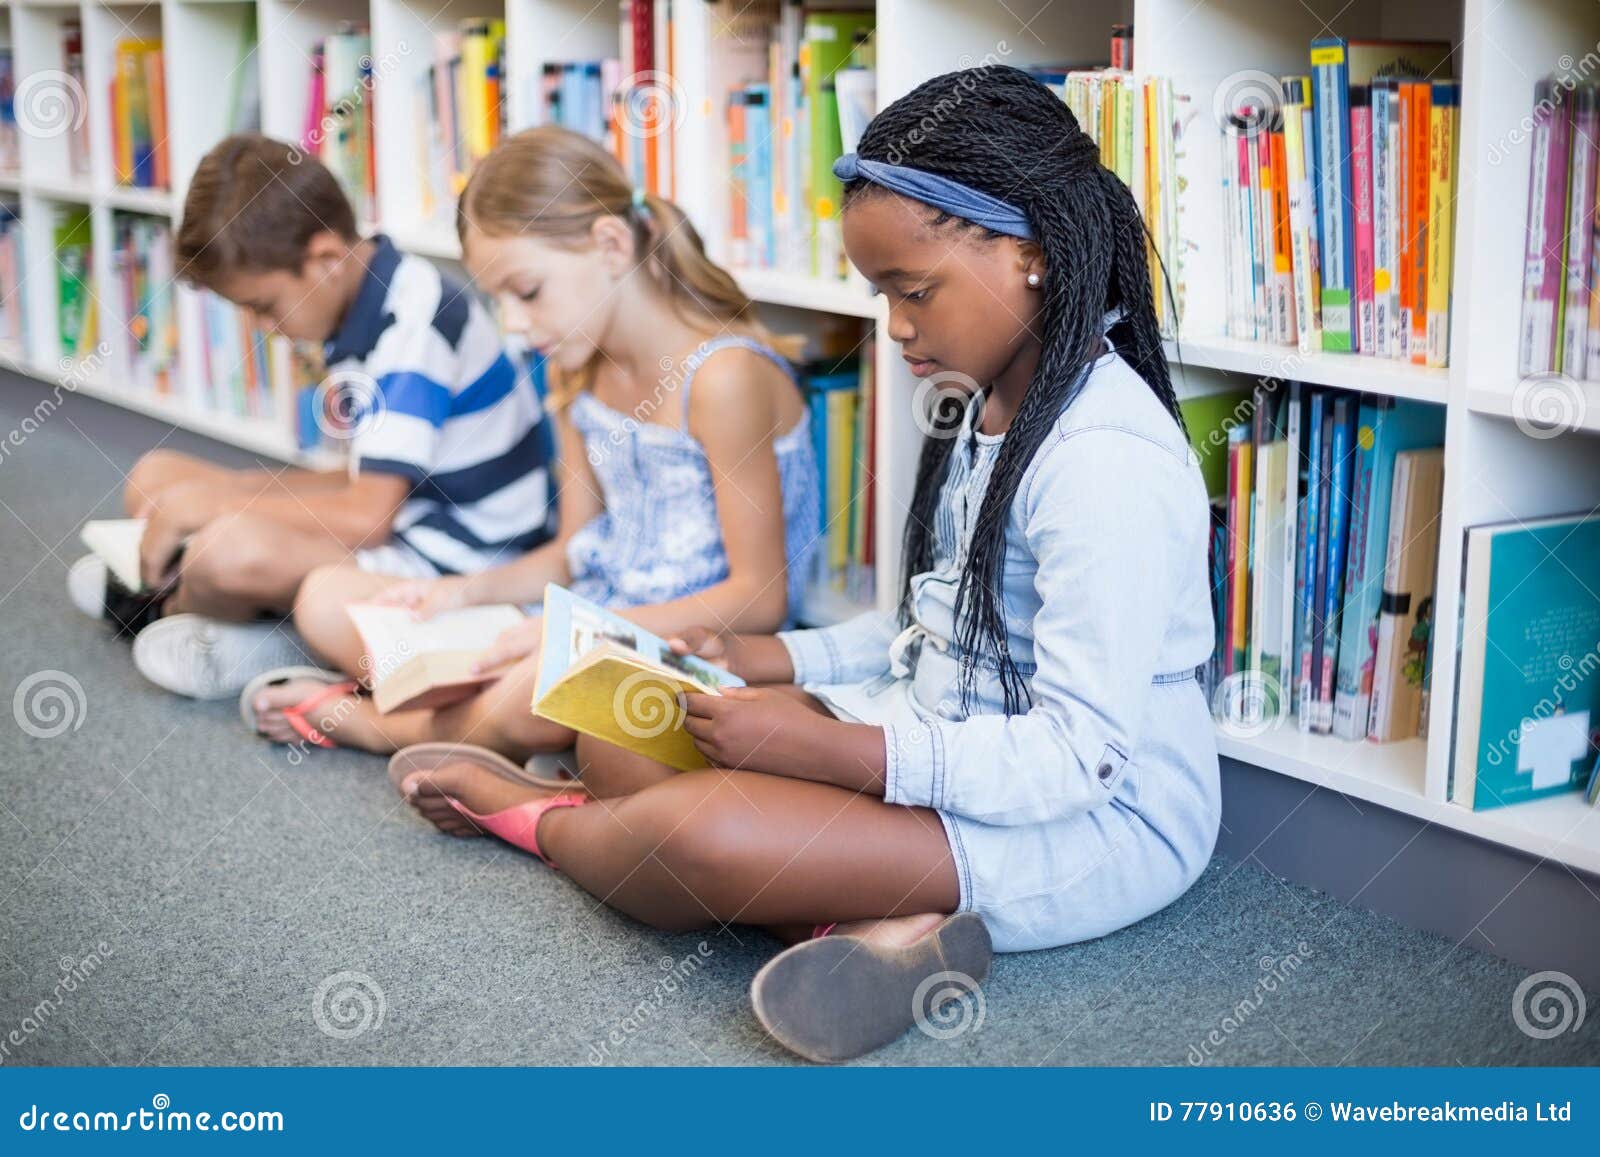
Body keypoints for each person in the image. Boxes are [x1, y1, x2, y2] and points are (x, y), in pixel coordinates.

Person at [386, 67, 1223, 1063]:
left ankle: (536, 818)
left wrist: (834, 756)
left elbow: (1080, 753)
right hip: (944, 738)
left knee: (692, 836)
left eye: (913, 292)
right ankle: (871, 926)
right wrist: (770, 658)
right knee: (619, 727)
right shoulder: (995, 397)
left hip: (1086, 824)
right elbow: (932, 625)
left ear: (1029, 255)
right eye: (881, 294)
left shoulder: (1103, 463)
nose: (896, 327)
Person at [243, 126, 819, 760]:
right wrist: (461, 594)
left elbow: (760, 599)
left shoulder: (724, 378)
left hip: (692, 647)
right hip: (588, 619)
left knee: (529, 688)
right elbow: (572, 553)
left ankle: (373, 722)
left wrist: (570, 632)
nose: (514, 326)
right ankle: (467, 718)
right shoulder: (579, 371)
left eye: (527, 292)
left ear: (609, 244)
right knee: (329, 596)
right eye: (499, 302)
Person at [66, 134, 559, 700]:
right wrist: (224, 489)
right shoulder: (362, 304)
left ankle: (224, 624)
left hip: (454, 559)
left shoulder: (412, 323)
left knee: (226, 547)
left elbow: (366, 516)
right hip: (405, 513)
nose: (260, 327)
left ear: (325, 259)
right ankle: (200, 611)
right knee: (158, 477)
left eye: (264, 307)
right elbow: (370, 480)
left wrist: (217, 503)